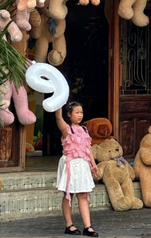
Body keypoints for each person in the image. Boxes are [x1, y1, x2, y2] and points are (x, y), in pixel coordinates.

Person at [56, 101, 99, 237]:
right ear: (69, 114)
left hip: (82, 164)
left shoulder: (84, 129)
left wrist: (93, 163)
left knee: (83, 194)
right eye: (77, 112)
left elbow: (88, 148)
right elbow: (58, 118)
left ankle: (88, 226)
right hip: (70, 163)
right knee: (68, 194)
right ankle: (69, 225)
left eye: (81, 112)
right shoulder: (66, 129)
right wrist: (58, 102)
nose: (80, 115)